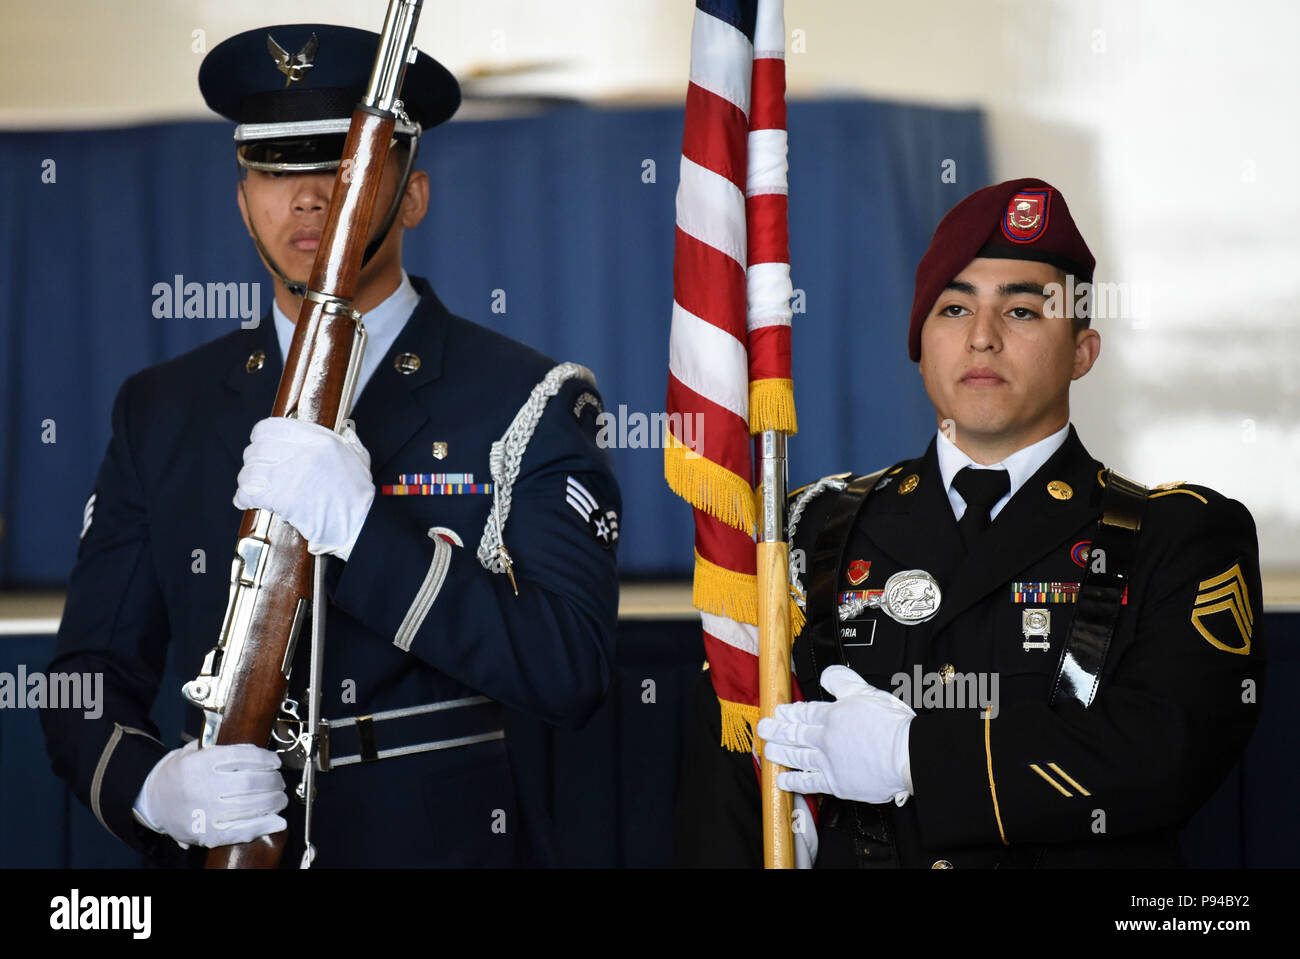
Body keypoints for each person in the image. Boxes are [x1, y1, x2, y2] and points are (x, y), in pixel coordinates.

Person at [41, 22, 621, 867]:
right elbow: (82, 678)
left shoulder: (525, 397)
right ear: (242, 201)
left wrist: (363, 535)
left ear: (411, 196)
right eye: (274, 171)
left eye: (338, 169)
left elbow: (571, 670)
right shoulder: (162, 410)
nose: (308, 199)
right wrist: (150, 785)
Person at [673, 177, 1264, 867]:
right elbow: (729, 776)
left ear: (1083, 350)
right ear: (918, 343)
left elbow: (1163, 755)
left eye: (1021, 310)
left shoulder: (1177, 537)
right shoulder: (810, 529)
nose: (981, 338)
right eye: (954, 308)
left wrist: (910, 757)